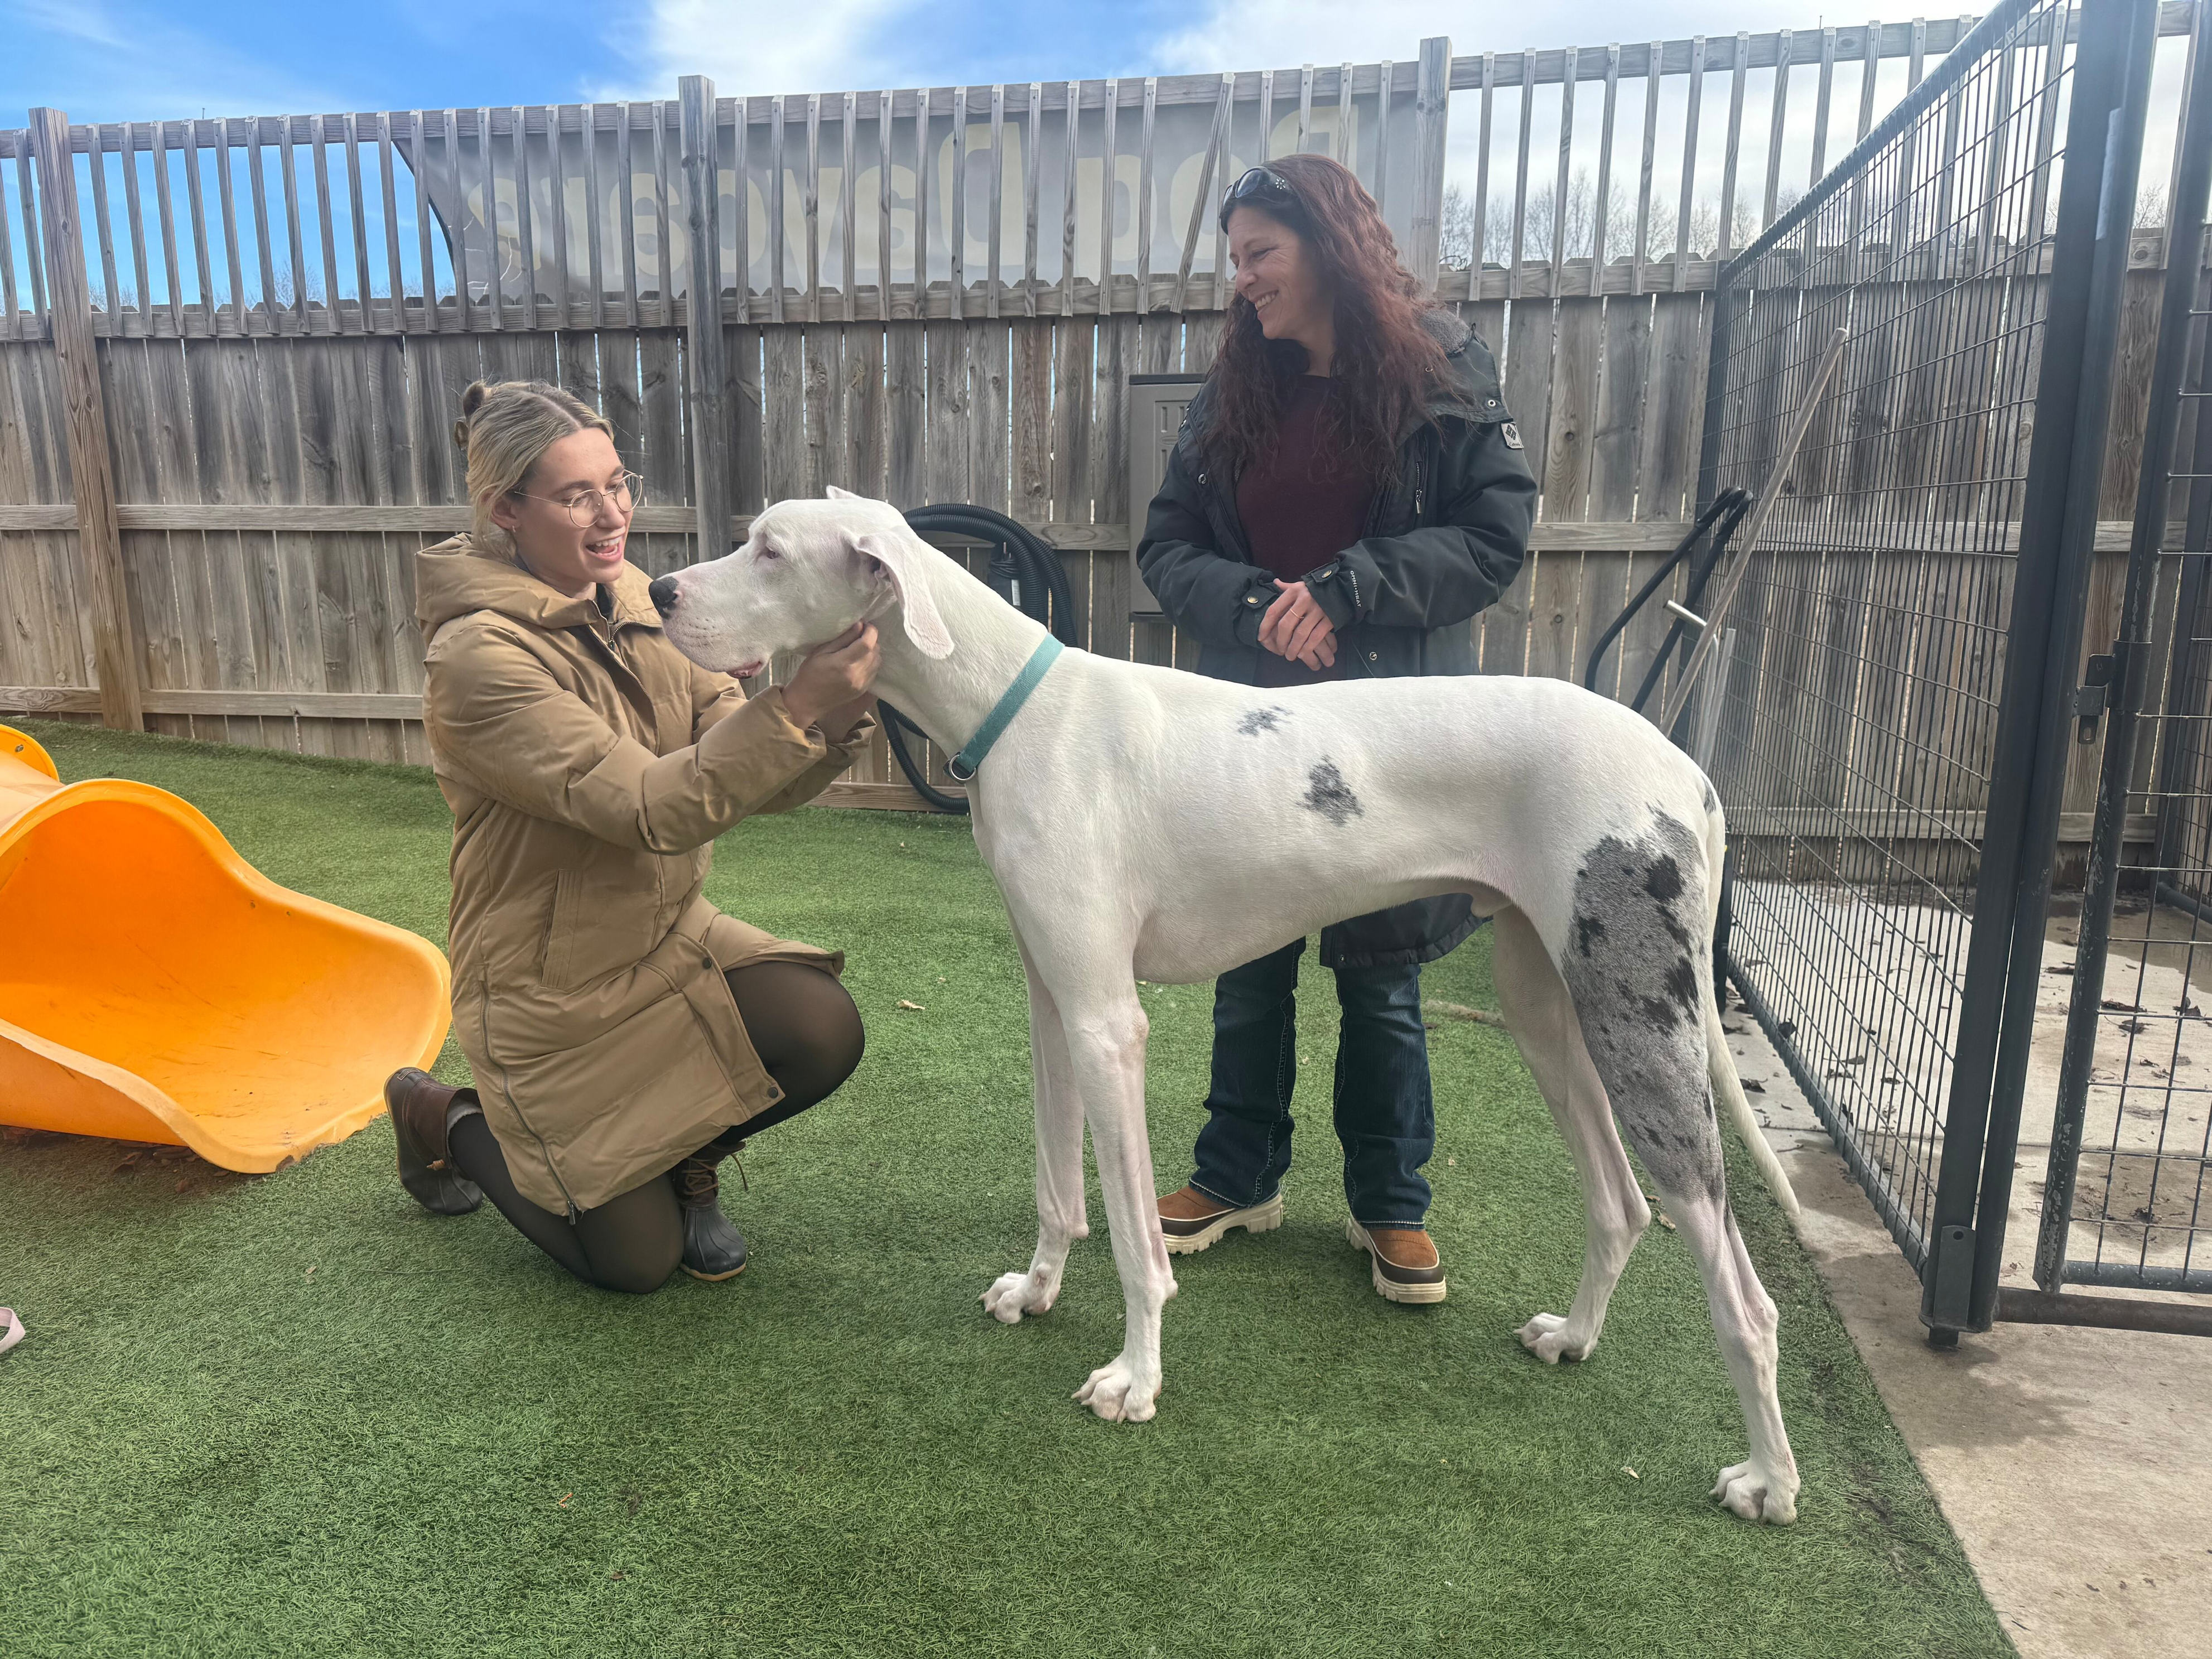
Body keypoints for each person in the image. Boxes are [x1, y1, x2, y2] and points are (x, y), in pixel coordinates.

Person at [1136, 155, 1538, 1303]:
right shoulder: (1231, 390)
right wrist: (1258, 603)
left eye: (1261, 252)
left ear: (1326, 244)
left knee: (1381, 972)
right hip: (1250, 722)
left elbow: (1496, 537)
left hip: (1390, 733)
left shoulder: (1443, 366)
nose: (1244, 278)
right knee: (1247, 959)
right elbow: (1168, 548)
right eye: (1236, 257)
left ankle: (1390, 1206)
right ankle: (1236, 1174)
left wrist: (1356, 585)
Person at [384, 379, 881, 1293]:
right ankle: (442, 1116)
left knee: (822, 1027)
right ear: (506, 510)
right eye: (578, 494)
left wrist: (835, 710)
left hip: (665, 935)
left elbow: (748, 780)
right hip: (547, 991)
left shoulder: (642, 603)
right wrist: (793, 704)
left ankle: (682, 1159)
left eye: (618, 483)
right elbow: (656, 809)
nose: (611, 513)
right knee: (635, 1264)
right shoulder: (479, 660)